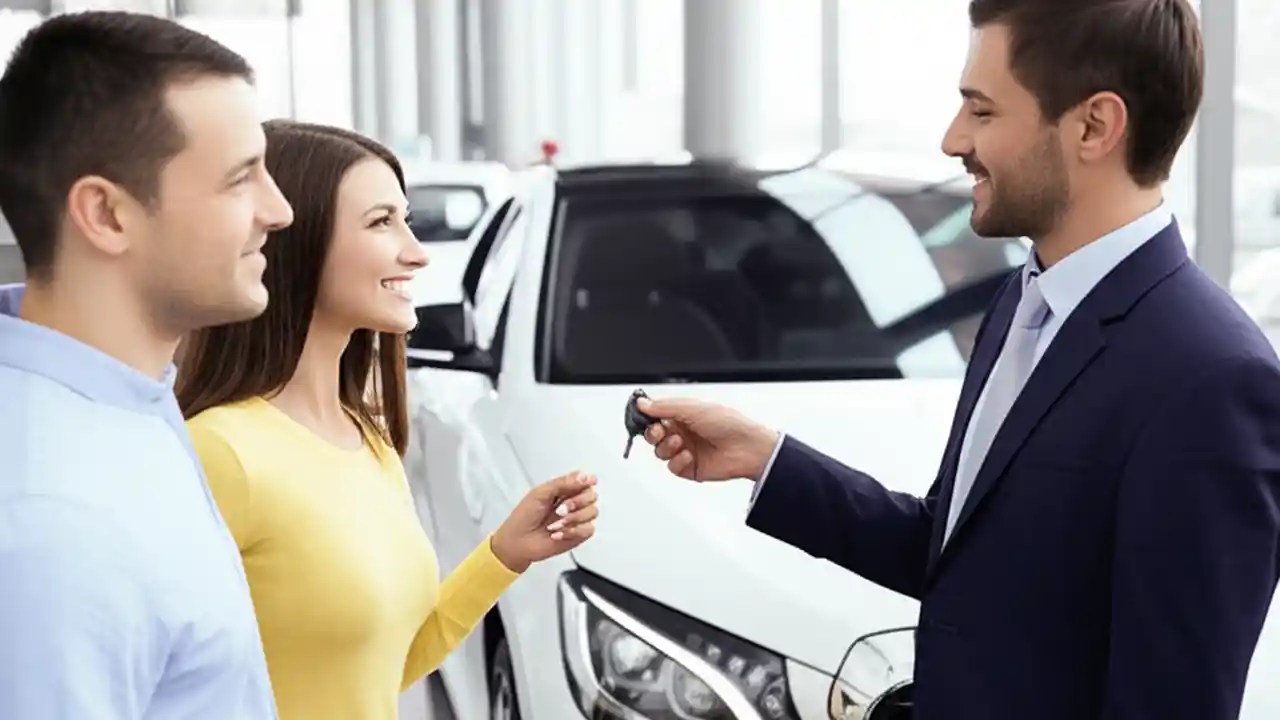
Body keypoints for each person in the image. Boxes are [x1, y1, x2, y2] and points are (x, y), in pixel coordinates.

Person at [637, 1, 1280, 718]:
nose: (952, 140)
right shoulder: (1023, 301)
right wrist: (767, 458)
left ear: (1094, 125)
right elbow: (960, 554)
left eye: (981, 110)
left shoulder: (1213, 380)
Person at [175, 119, 599, 720]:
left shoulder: (364, 437)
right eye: (381, 222)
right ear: (295, 241)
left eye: (404, 219)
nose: (417, 251)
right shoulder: (219, 455)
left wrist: (504, 554)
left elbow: (379, 667)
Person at [0, 11, 293, 720]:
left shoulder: (121, 408)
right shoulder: (53, 525)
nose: (278, 210)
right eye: (239, 179)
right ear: (105, 214)